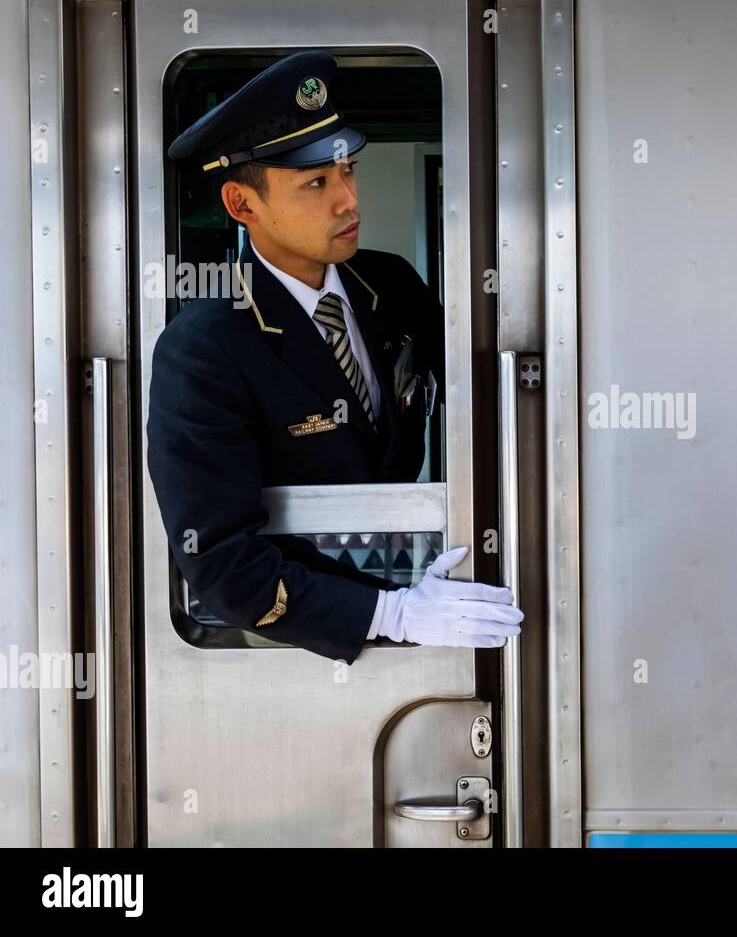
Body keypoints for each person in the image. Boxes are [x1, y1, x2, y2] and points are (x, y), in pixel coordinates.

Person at [147, 50, 521, 663]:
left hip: (424, 599)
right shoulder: (205, 349)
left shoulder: (390, 286)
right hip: (293, 646)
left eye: (348, 170)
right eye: (316, 183)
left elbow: (483, 408)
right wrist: (391, 614)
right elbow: (220, 564)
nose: (348, 200)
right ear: (243, 206)